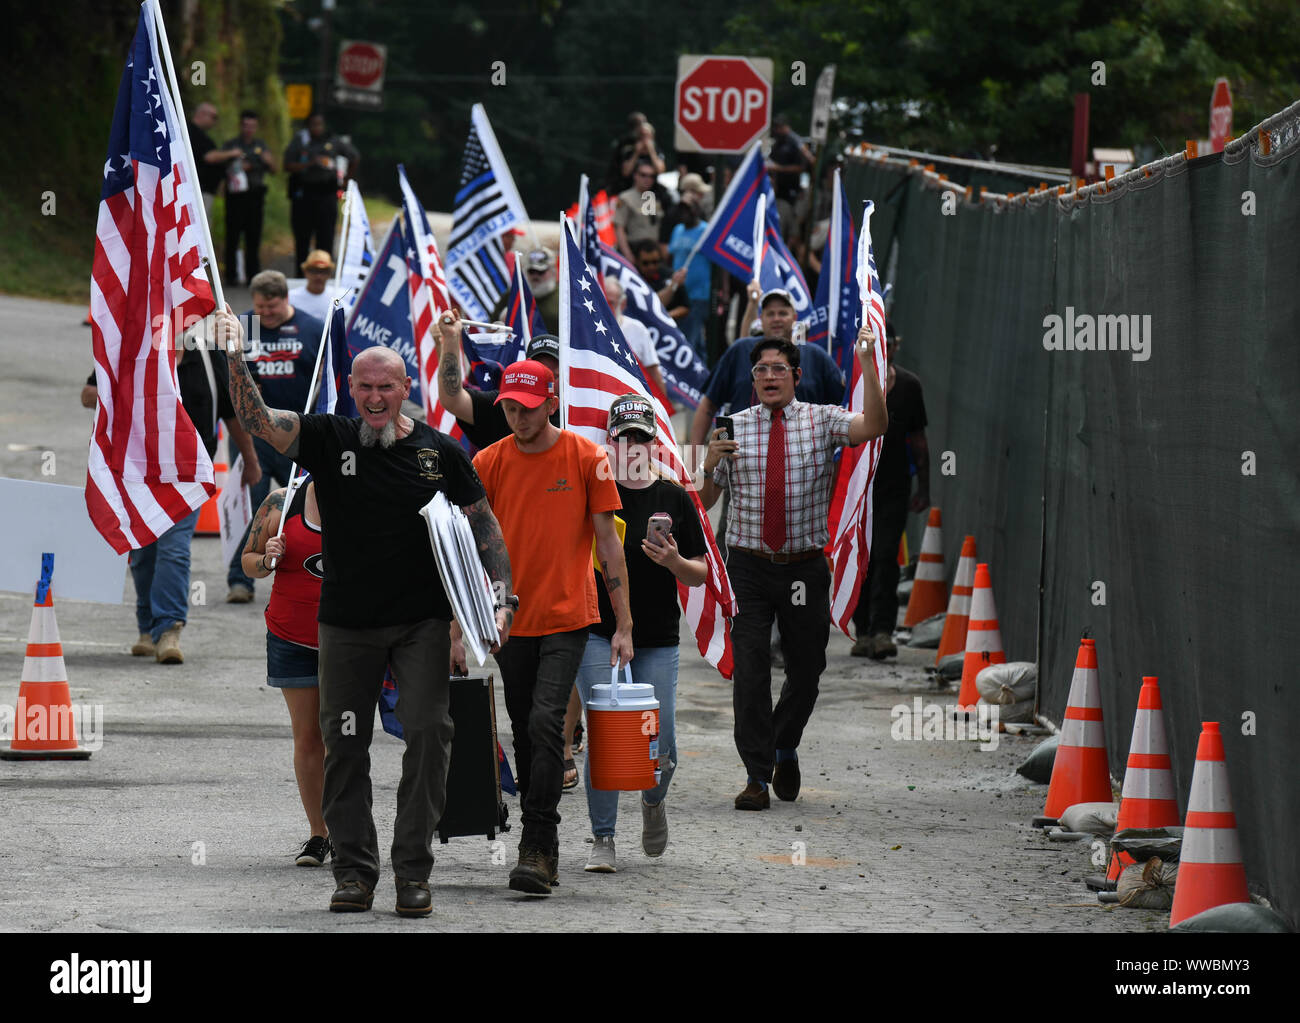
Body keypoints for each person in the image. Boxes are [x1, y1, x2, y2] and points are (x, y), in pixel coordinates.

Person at [215, 307, 514, 918]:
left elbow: (484, 523)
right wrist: (233, 353)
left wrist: (501, 596)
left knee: (430, 734)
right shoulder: (329, 439)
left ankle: (412, 873)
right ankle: (354, 872)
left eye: (387, 387)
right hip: (346, 625)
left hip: (421, 623)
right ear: (352, 390)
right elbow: (258, 419)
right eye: (365, 387)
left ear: (406, 389)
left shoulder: (438, 452)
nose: (375, 397)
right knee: (344, 743)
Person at [697, 330, 888, 810]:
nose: (768, 377)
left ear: (796, 376)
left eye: (778, 369)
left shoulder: (822, 421)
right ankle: (756, 776)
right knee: (752, 670)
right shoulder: (732, 428)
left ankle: (784, 745)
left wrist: (867, 362)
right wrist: (705, 465)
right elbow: (703, 504)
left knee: (806, 670)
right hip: (748, 567)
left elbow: (874, 426)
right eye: (759, 369)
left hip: (803, 568)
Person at [468, 345, 631, 896]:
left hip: (568, 615)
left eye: (529, 408)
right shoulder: (487, 462)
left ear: (551, 402)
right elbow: (469, 548)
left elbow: (609, 545)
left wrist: (625, 625)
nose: (520, 417)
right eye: (511, 407)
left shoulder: (587, 457)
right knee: (523, 729)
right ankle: (541, 844)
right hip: (509, 620)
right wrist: (464, 618)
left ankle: (539, 845)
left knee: (544, 724)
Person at [575, 395, 707, 873]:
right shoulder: (593, 489)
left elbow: (700, 573)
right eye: (624, 436)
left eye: (642, 437)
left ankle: (653, 803)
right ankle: (603, 838)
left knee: (661, 743)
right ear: (611, 440)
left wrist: (673, 561)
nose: (633, 445)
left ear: (654, 442)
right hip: (596, 630)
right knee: (608, 736)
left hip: (656, 635)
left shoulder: (672, 495)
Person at [125, 345, 260, 665]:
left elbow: (231, 413)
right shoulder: (136, 348)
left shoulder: (208, 357)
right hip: (142, 471)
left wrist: (251, 460)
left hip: (191, 472)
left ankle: (169, 628)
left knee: (174, 547)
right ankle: (147, 625)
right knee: (144, 552)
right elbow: (92, 392)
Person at [240, 476, 331, 866]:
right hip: (291, 638)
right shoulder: (282, 501)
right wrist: (266, 559)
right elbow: (248, 562)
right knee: (308, 738)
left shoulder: (368, 495)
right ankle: (319, 834)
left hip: (351, 640)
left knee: (346, 739)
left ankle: (350, 830)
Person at [226, 271, 323, 604]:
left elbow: (325, 381)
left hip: (295, 436)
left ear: (286, 299)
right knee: (250, 508)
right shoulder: (243, 327)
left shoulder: (312, 328)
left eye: (272, 307)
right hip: (251, 436)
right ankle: (241, 579)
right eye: (260, 308)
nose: (265, 314)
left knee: (301, 510)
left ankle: (304, 573)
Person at [851, 328, 930, 658]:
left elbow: (919, 441)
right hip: (858, 488)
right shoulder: (853, 387)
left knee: (885, 555)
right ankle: (863, 630)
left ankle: (883, 629)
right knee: (860, 558)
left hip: (894, 487)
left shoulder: (909, 387)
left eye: (885, 344)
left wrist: (925, 487)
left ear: (895, 347)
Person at [435, 321, 561, 452]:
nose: (519, 419)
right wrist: (451, 338)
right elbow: (452, 400)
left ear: (552, 406)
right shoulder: (503, 403)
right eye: (512, 410)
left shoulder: (577, 414)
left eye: (554, 375)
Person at [283, 112, 359, 266]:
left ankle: (323, 274)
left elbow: (355, 157)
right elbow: (287, 165)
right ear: (308, 126)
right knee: (302, 239)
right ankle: (301, 275)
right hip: (304, 195)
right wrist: (310, 163)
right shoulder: (300, 141)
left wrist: (345, 180)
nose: (317, 128)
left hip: (327, 195)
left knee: (326, 238)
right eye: (313, 124)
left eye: (320, 124)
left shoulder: (333, 140)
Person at [222, 110, 275, 284]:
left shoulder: (261, 146)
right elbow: (219, 164)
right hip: (236, 197)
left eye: (252, 126)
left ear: (256, 127)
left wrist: (267, 160)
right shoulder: (232, 145)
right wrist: (235, 161)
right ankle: (231, 275)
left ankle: (253, 275)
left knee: (254, 237)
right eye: (246, 125)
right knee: (233, 236)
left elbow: (274, 169)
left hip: (255, 196)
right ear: (241, 125)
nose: (249, 129)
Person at [603, 275, 667, 401]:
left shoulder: (637, 329)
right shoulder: (591, 330)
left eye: (611, 303)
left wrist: (664, 407)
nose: (607, 308)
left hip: (634, 400)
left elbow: (653, 370)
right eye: (604, 303)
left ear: (623, 303)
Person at [666, 175, 712, 350]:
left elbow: (717, 264)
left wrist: (722, 290)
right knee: (693, 340)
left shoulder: (705, 230)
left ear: (696, 210)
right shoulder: (677, 230)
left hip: (699, 293)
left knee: (690, 340)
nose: (684, 214)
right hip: (680, 294)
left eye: (688, 210)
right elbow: (671, 256)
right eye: (682, 210)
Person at [187, 102, 242, 223]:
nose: (215, 121)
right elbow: (209, 157)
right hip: (198, 190)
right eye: (213, 117)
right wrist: (232, 153)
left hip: (204, 190)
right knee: (200, 225)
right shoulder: (191, 132)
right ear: (202, 114)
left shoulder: (199, 134)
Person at [767, 116, 815, 244]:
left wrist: (780, 168)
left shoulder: (794, 141)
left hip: (794, 192)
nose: (778, 130)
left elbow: (802, 166)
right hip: (779, 193)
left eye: (780, 127)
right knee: (780, 227)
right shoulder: (778, 143)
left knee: (793, 231)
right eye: (777, 127)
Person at [615, 161, 665, 262]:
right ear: (635, 176)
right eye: (643, 175)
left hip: (653, 251)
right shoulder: (625, 198)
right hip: (634, 249)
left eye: (651, 176)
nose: (647, 179)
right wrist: (628, 255)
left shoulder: (655, 198)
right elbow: (619, 228)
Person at [632, 239, 689, 324]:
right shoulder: (632, 278)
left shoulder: (671, 276)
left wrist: (665, 318)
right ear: (637, 261)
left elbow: (685, 307)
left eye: (655, 262)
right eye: (645, 263)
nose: (651, 267)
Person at [288, 250, 337, 323]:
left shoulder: (338, 298)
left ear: (329, 274)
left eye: (323, 271)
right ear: (305, 272)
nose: (318, 276)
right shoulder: (290, 298)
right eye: (314, 271)